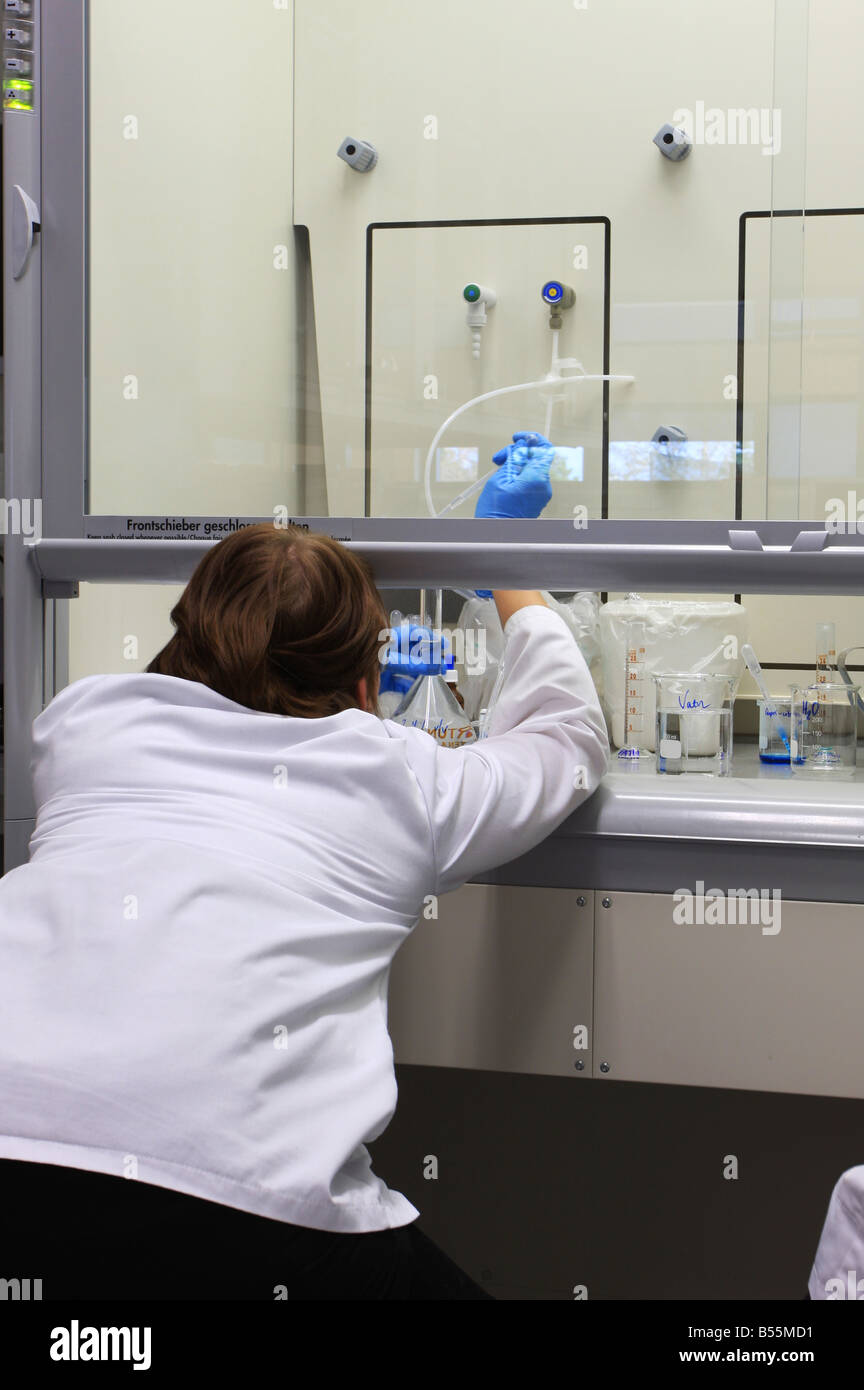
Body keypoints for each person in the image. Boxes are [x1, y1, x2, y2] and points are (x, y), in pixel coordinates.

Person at [0, 434, 609, 1300]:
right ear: (365, 673)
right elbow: (565, 738)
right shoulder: (395, 777)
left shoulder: (83, 727)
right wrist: (507, 568)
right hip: (243, 1206)